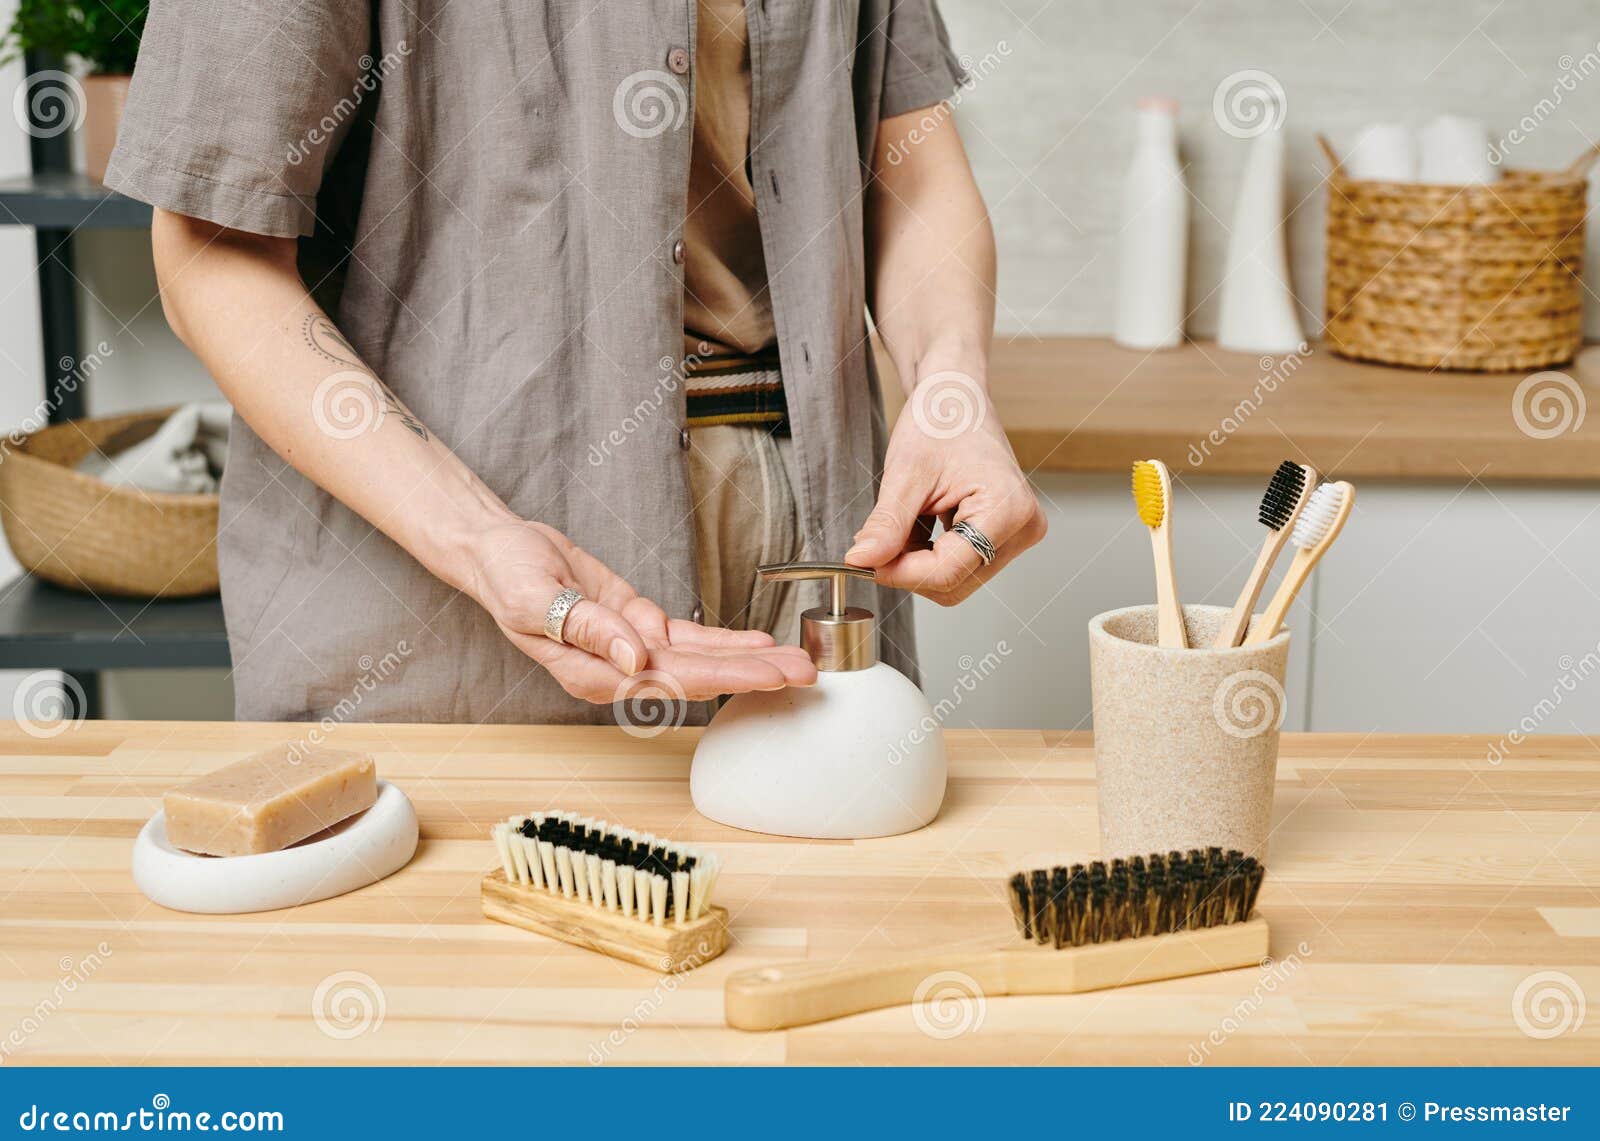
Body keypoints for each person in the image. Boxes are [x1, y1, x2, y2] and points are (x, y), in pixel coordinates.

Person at [106, 1, 1046, 725]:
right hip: (443, 612)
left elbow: (909, 163)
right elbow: (210, 252)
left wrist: (952, 384)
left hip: (814, 573)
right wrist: (478, 540)